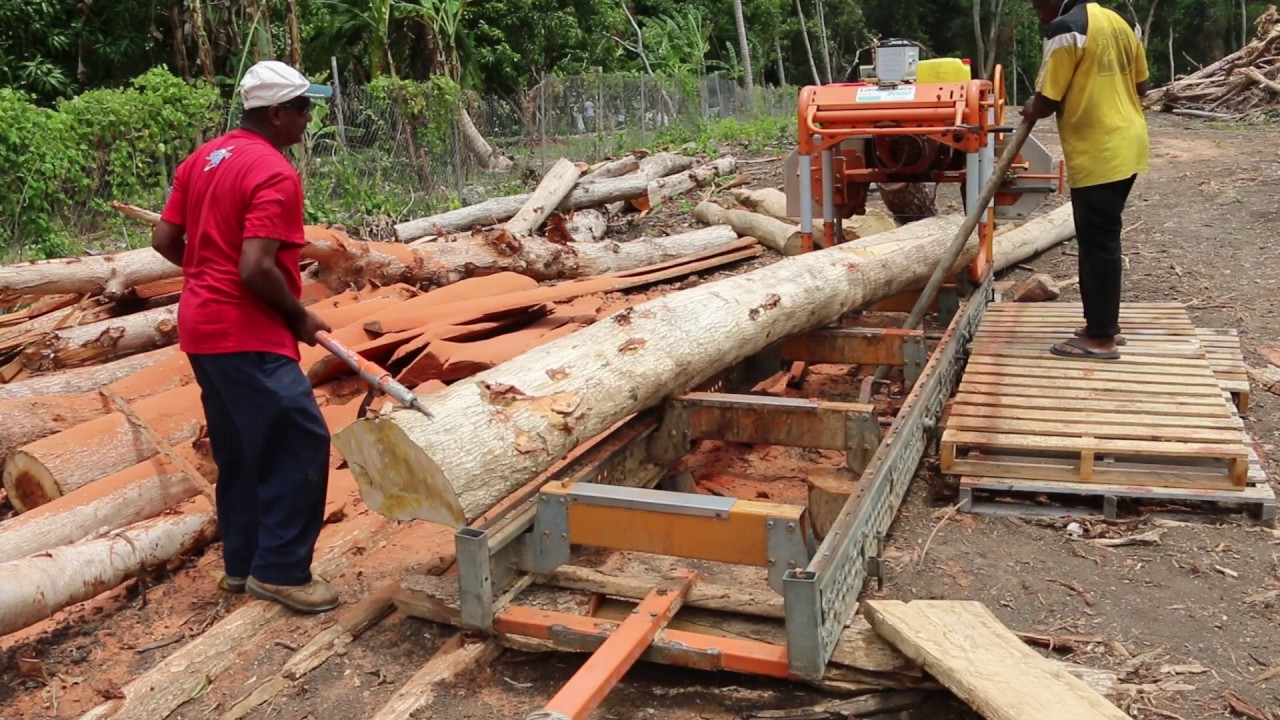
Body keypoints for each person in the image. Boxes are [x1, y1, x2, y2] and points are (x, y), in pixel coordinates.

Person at [151, 61, 339, 614]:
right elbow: (256, 268)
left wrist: (205, 272)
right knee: (299, 441)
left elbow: (165, 239)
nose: (309, 119)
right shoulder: (274, 173)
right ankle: (280, 572)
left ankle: (241, 565)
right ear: (276, 113)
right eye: (303, 108)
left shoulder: (204, 158)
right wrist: (299, 317)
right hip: (246, 332)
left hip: (202, 327)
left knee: (240, 447)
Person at [1021, 0, 1150, 360]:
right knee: (1102, 237)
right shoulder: (1120, 23)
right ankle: (1105, 325)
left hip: (1100, 148)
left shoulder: (1067, 29)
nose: (1038, 13)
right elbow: (1142, 85)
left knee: (1097, 243)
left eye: (1036, 6)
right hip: (1128, 140)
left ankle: (1101, 339)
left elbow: (1046, 100)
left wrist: (1030, 107)